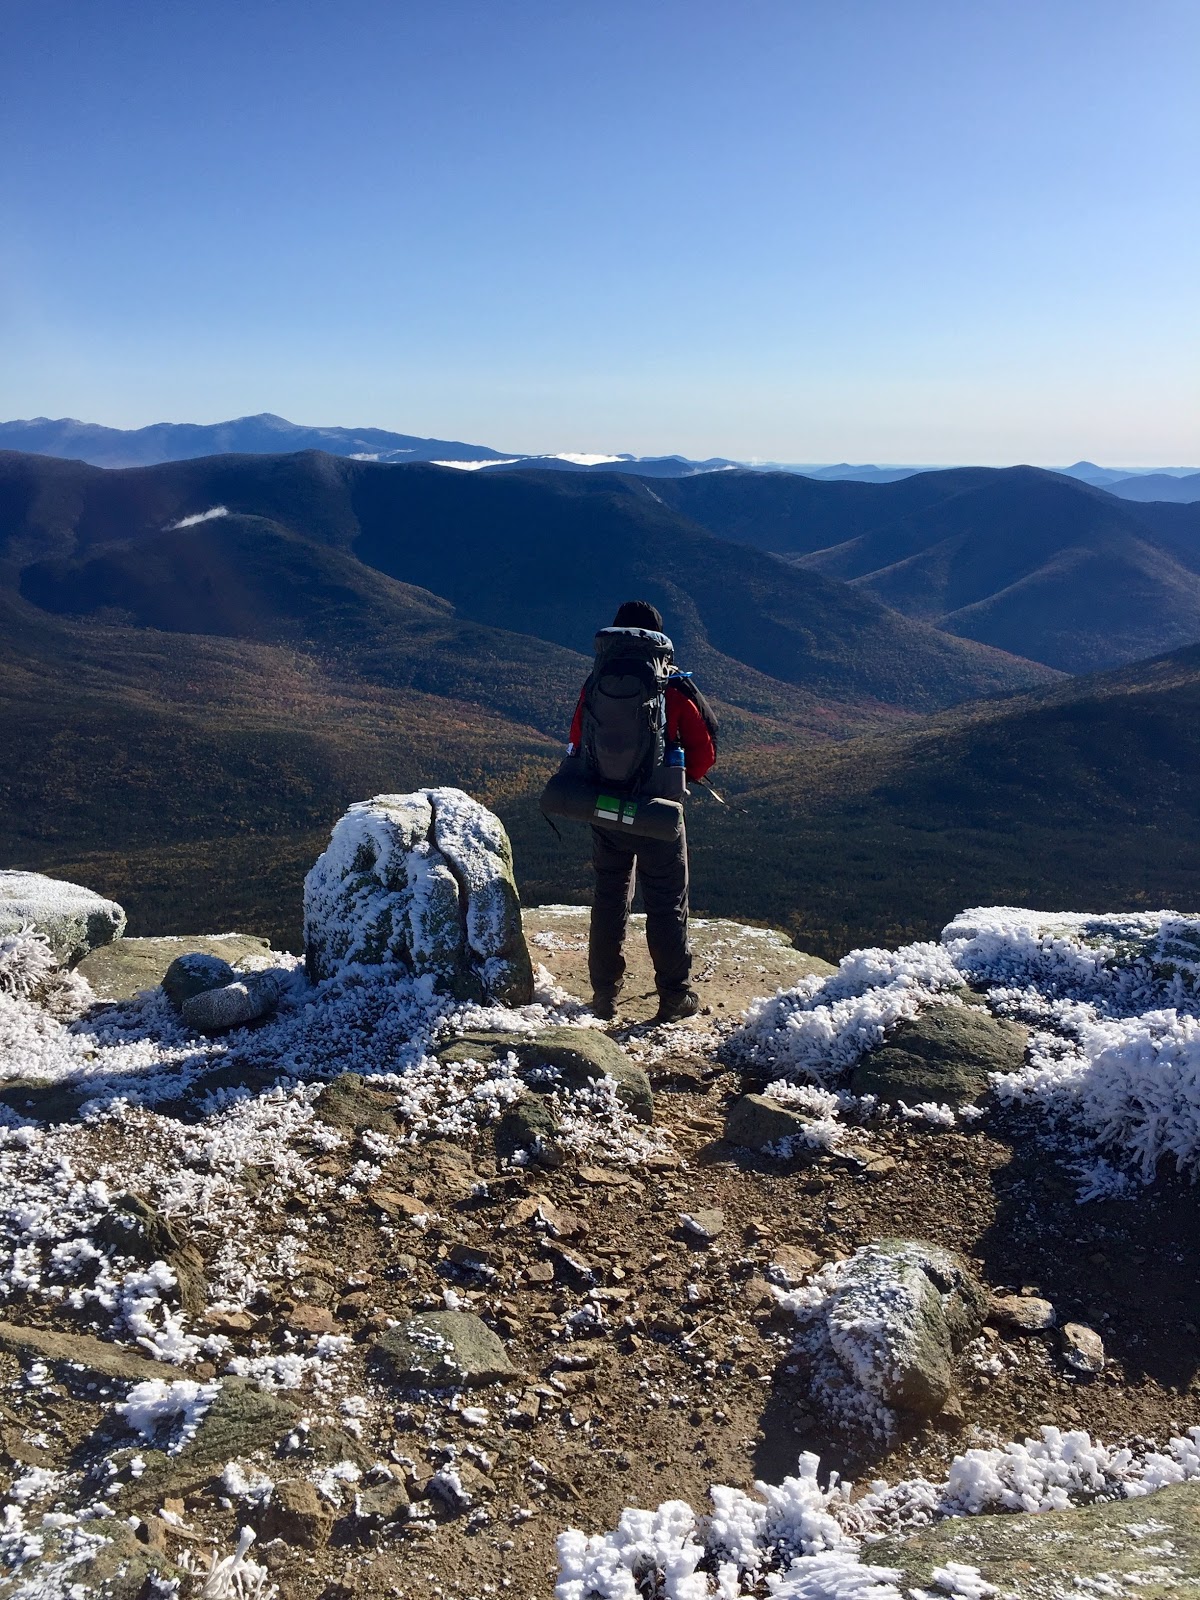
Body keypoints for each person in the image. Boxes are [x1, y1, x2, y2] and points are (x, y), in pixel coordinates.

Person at [567, 600, 717, 1024]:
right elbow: (705, 751)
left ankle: (604, 995)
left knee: (610, 896)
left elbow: (578, 737)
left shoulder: (596, 681)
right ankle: (674, 997)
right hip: (658, 813)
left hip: (604, 807)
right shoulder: (671, 685)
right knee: (667, 902)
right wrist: (680, 774)